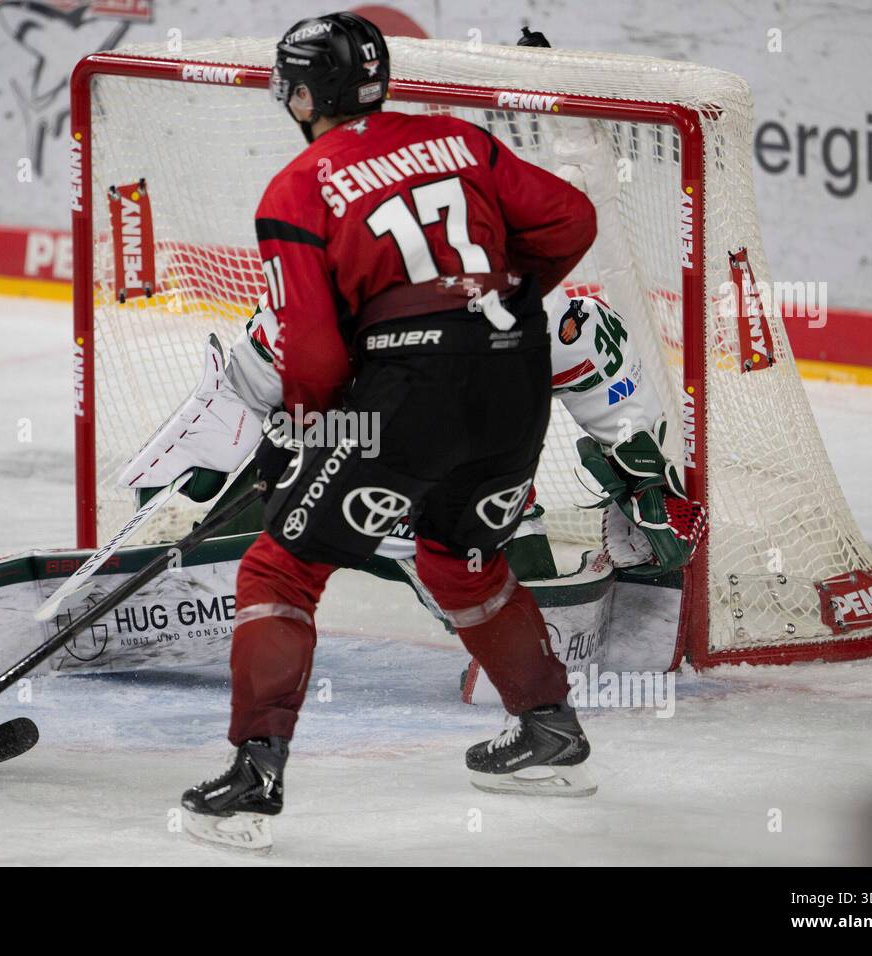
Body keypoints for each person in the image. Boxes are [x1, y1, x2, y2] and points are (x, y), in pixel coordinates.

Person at [180, 11, 600, 850]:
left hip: (412, 394)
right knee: (461, 559)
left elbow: (314, 348)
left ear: (303, 95)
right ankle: (551, 732)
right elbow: (572, 221)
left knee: (281, 567)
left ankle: (254, 779)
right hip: (516, 377)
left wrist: (311, 422)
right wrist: (496, 306)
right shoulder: (457, 139)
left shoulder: (297, 189)